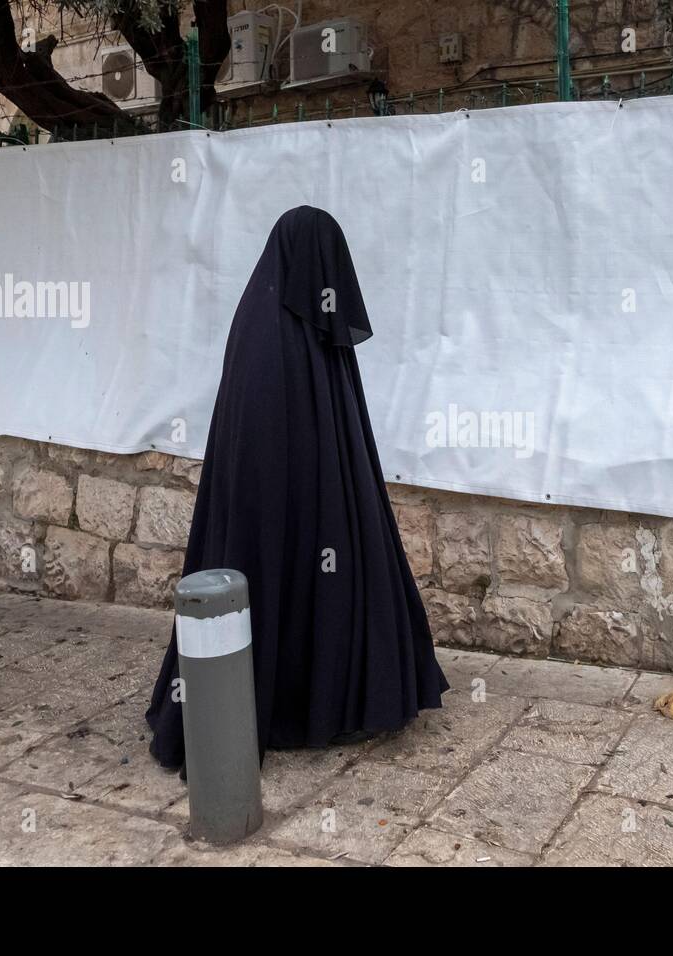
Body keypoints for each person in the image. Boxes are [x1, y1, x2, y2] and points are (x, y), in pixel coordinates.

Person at [146, 205, 448, 769]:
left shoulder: (277, 320)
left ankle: (315, 699)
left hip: (303, 503)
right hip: (293, 505)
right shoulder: (279, 333)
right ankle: (312, 703)